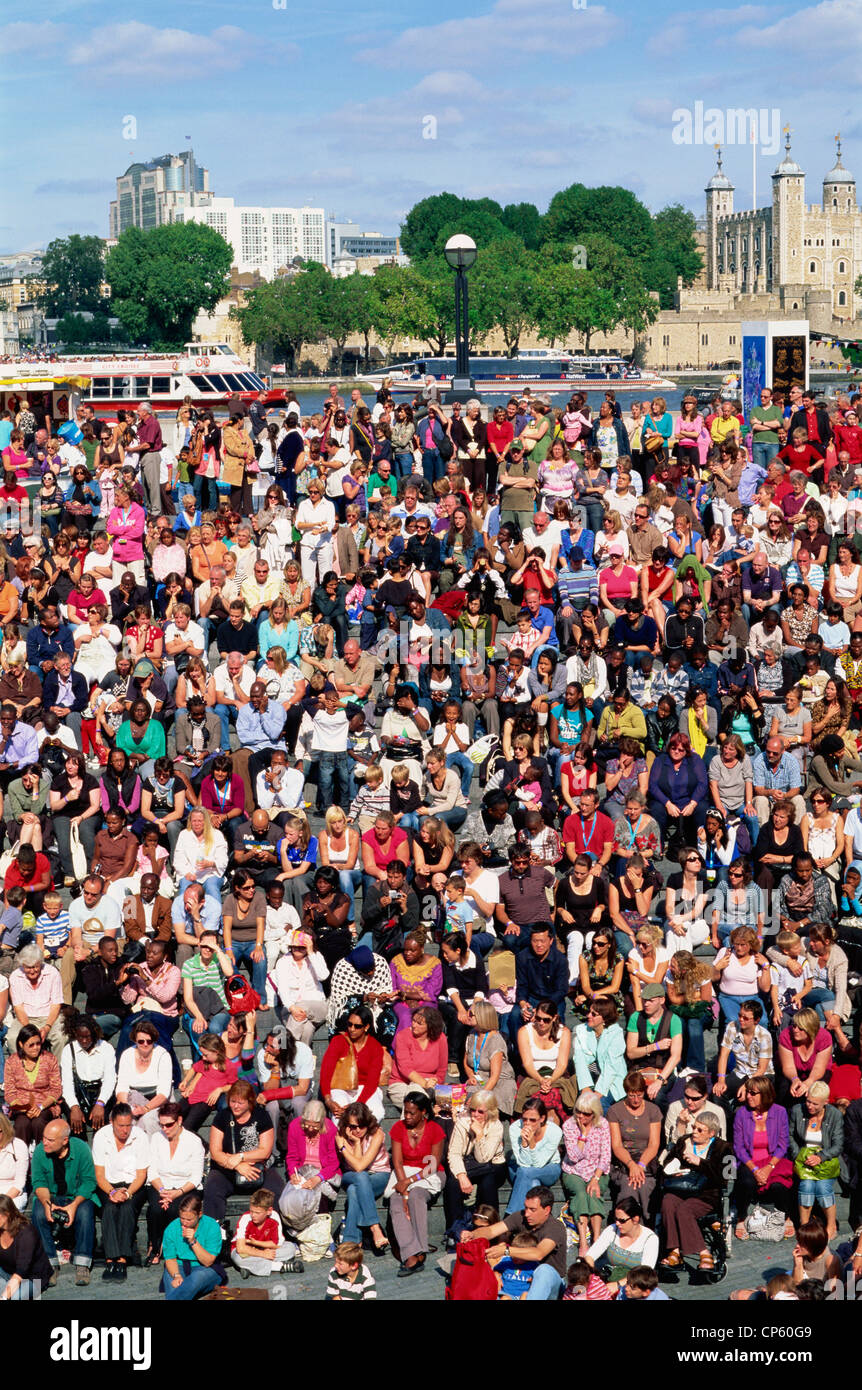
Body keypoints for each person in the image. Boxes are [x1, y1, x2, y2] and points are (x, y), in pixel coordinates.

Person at [659, 1113, 730, 1271]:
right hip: (681, 1189)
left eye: (700, 1129)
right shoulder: (684, 1141)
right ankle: (675, 1252)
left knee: (684, 1210)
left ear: (711, 1133)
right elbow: (667, 1162)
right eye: (693, 1127)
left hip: (707, 1194)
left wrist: (701, 1163)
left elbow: (728, 1178)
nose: (694, 1132)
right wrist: (673, 1170)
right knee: (668, 1201)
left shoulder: (724, 1148)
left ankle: (704, 1253)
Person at [31, 1118, 98, 1287]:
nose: (45, 1142)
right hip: (51, 1196)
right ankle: (50, 1263)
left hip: (75, 1195)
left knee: (85, 1211)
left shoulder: (81, 1149)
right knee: (38, 1213)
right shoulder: (40, 1151)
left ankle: (82, 1263)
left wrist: (73, 1206)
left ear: (65, 1141)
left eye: (50, 1140)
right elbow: (38, 1182)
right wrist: (48, 1205)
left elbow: (89, 1181)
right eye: (44, 1138)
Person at [204, 1080, 283, 1223]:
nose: (235, 1106)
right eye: (232, 1101)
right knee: (212, 1187)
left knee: (276, 1187)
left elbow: (264, 1151)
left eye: (240, 1103)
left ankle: (273, 1228)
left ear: (250, 1102)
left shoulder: (261, 1116)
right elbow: (215, 1152)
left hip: (257, 1168)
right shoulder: (222, 1116)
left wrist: (240, 1157)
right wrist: (237, 1165)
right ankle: (214, 1231)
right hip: (227, 1168)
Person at [387, 1090, 445, 1277]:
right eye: (406, 1112)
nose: (408, 1116)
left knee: (417, 1196)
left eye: (412, 1113)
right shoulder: (398, 1128)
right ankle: (411, 1253)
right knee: (396, 1202)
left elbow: (434, 1163)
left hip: (429, 1174)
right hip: (403, 1173)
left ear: (423, 1112)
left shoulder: (435, 1130)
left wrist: (410, 1183)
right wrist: (403, 1188)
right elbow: (397, 1162)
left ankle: (421, 1249)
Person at [732, 1076, 795, 1240]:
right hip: (750, 1161)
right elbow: (738, 1147)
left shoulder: (780, 1112)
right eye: (748, 1092)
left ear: (765, 1094)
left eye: (753, 1093)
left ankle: (786, 1216)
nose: (748, 1096)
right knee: (746, 1182)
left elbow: (783, 1144)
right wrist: (754, 1169)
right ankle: (741, 1218)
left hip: (773, 1160)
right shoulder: (741, 1113)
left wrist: (768, 1168)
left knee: (779, 1186)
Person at [92, 1102, 149, 1281]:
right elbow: (99, 1174)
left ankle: (122, 1258)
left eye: (128, 1126)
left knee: (127, 1207)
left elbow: (141, 1174)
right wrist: (112, 1192)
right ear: (112, 1122)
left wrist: (127, 1193)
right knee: (109, 1208)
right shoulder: (102, 1136)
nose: (125, 1130)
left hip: (133, 1184)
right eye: (120, 1126)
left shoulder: (140, 1137)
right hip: (108, 1183)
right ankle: (111, 1258)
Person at [144, 1102, 205, 1266]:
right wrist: (163, 1191)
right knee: (156, 1209)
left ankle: (175, 1246)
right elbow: (152, 1171)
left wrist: (176, 1193)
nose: (165, 1129)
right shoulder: (157, 1138)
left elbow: (196, 1177)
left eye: (169, 1124)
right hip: (160, 1185)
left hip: (185, 1187)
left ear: (179, 1120)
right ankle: (154, 1246)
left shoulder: (194, 1141)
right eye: (161, 1125)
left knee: (175, 1208)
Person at [789, 1082, 843, 1239]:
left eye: (815, 1103)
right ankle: (804, 1225)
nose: (810, 1106)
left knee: (822, 1187)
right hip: (803, 1158)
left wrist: (820, 1157)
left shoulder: (834, 1115)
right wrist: (798, 1155)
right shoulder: (797, 1111)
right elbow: (790, 1136)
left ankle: (831, 1224)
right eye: (808, 1101)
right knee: (806, 1184)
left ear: (825, 1102)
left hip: (826, 1159)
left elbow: (838, 1144)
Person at [561, 1089, 612, 1254]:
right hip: (574, 1171)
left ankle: (597, 1238)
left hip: (597, 1170)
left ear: (594, 1114)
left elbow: (606, 1156)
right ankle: (583, 1241)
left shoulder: (603, 1124)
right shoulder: (569, 1125)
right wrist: (583, 1135)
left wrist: (595, 1178)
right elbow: (574, 1157)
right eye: (578, 1112)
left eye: (586, 1114)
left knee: (594, 1192)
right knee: (581, 1194)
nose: (581, 1117)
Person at [320, 1004, 386, 1122]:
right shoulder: (338, 1041)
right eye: (349, 1024)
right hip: (340, 1086)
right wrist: (328, 1100)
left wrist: (357, 1105)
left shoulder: (375, 1046)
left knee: (377, 1112)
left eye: (357, 1026)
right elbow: (325, 1072)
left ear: (366, 1027)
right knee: (339, 1115)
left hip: (364, 1087)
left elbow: (372, 1081)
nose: (352, 1029)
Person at [608, 1069, 662, 1210]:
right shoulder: (615, 1111)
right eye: (632, 1096)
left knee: (645, 1187)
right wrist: (631, 1165)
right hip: (624, 1161)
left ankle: (647, 1226)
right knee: (629, 1188)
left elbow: (654, 1144)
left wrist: (640, 1166)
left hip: (646, 1161)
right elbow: (617, 1145)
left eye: (639, 1095)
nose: (636, 1100)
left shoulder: (653, 1110)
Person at [60, 1012, 116, 1138]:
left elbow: (110, 1080)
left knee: (102, 1125)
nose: (84, 1041)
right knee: (75, 1124)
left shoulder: (106, 1048)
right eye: (80, 1037)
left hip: (100, 1094)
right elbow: (67, 1084)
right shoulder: (68, 1050)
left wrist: (100, 1103)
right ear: (75, 1034)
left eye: (88, 1036)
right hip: (77, 1094)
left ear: (94, 1033)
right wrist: (74, 1107)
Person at [161, 1191, 225, 1302]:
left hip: (204, 1267)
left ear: (199, 1214)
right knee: (176, 1287)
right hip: (178, 1266)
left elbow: (208, 1261)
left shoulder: (211, 1226)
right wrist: (176, 1275)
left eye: (189, 1219)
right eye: (182, 1218)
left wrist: (193, 1241)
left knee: (196, 1279)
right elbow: (170, 1258)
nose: (184, 1223)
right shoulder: (172, 1228)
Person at [4, 1024, 62, 1145]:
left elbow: (56, 1089)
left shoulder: (49, 1059)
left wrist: (40, 1106)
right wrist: (24, 1107)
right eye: (31, 1045)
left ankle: (42, 1156)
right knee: (21, 1124)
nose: (36, 1048)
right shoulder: (12, 1062)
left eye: (38, 1043)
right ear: (21, 1044)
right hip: (21, 1106)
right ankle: (21, 1158)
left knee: (39, 1122)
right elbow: (9, 1092)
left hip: (45, 1105)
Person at [585, 1194, 659, 1281]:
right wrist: (594, 1278)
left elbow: (645, 1273)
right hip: (604, 1278)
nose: (617, 1223)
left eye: (622, 1220)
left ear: (635, 1219)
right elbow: (589, 1256)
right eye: (615, 1219)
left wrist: (618, 1285)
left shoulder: (650, 1239)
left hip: (633, 1285)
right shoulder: (612, 1230)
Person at [0, 1195, 54, 1300]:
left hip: (31, 1277)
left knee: (14, 1297)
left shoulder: (26, 1233)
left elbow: (21, 1271)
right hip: (7, 1273)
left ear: (7, 1214)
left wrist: (3, 1297)